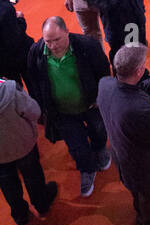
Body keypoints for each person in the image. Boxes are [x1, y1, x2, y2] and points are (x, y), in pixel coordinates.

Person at [26, 16, 111, 197]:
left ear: (67, 32)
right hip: (62, 112)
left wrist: (101, 96)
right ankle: (87, 168)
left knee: (99, 131)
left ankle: (100, 148)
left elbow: (103, 71)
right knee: (76, 146)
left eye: (57, 40)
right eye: (48, 41)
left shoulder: (87, 47)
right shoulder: (37, 52)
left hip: (90, 105)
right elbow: (33, 81)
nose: (53, 45)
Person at [97, 43, 150, 225]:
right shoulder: (139, 109)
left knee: (138, 194)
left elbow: (129, 88)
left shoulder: (105, 84)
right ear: (139, 70)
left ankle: (141, 212)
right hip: (146, 167)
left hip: (123, 156)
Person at [0, 75, 58, 225]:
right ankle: (42, 203)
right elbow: (34, 111)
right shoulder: (9, 89)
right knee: (33, 174)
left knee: (7, 182)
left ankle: (20, 214)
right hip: (23, 143)